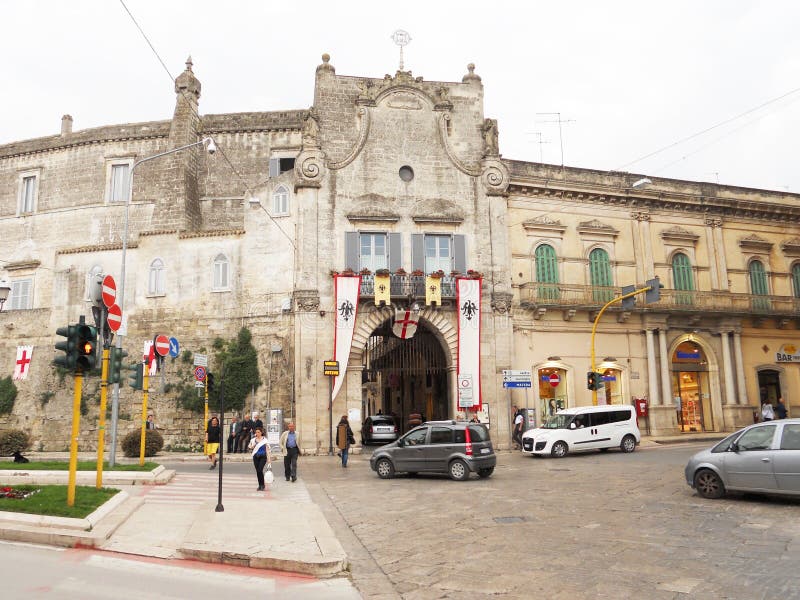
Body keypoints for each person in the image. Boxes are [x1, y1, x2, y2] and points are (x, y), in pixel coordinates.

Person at [248, 427, 272, 491]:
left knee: (260, 470)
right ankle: (260, 485)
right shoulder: (253, 440)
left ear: (261, 432)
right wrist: (252, 446)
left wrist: (269, 460)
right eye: (256, 432)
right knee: (258, 472)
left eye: (258, 432)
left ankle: (262, 485)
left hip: (263, 457)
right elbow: (249, 447)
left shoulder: (265, 440)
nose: (257, 433)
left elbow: (267, 450)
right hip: (255, 457)